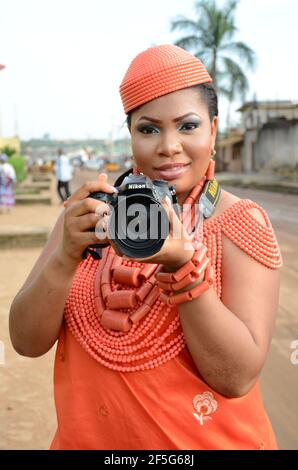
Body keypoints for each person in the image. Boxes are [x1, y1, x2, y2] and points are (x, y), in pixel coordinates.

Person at [9, 45, 283, 450]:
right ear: (131, 134)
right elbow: (25, 342)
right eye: (149, 128)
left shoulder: (239, 223)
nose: (168, 146)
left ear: (214, 128)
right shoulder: (87, 218)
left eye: (188, 126)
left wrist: (184, 270)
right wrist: (66, 255)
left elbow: (235, 377)